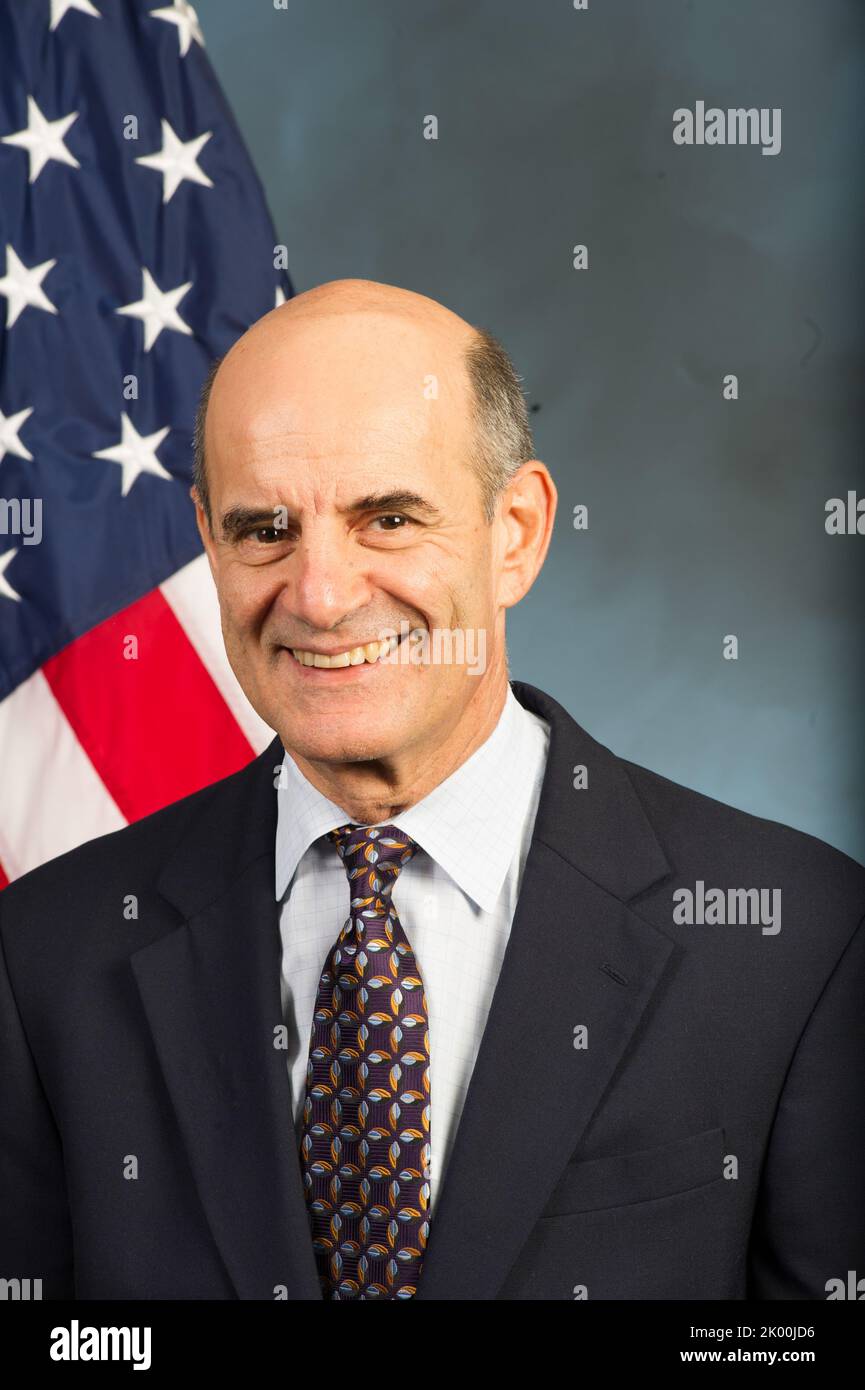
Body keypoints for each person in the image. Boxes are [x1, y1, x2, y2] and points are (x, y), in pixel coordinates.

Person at [1, 279, 863, 1301]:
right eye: (264, 527)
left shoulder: (797, 936)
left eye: (389, 517)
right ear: (208, 537)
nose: (320, 595)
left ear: (518, 532)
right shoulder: (48, 950)